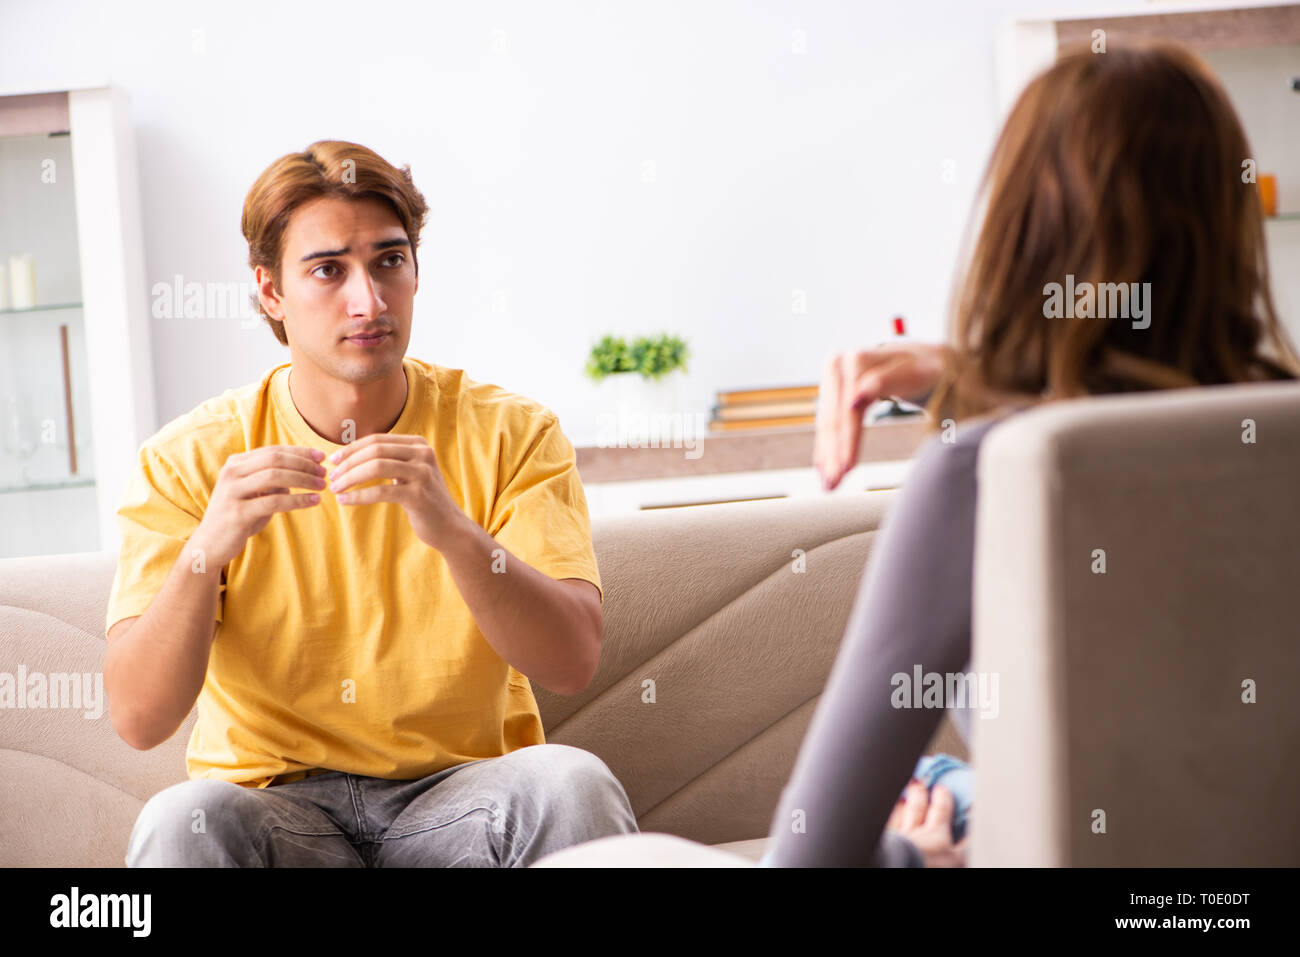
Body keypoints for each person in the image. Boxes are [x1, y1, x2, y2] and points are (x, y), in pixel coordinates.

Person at [763, 42, 1300, 867]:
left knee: (927, 788)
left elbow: (812, 858)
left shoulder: (982, 474)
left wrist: (915, 858)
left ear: (1019, 231)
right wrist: (974, 370)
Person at [106, 141, 639, 867]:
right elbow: (139, 718)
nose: (369, 299)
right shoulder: (189, 458)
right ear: (269, 292)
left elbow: (572, 661)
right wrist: (209, 548)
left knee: (573, 783)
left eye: (389, 260)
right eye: (329, 269)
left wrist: (452, 530)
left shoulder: (514, 433)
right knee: (181, 820)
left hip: (464, 799)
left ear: (415, 271)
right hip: (279, 810)